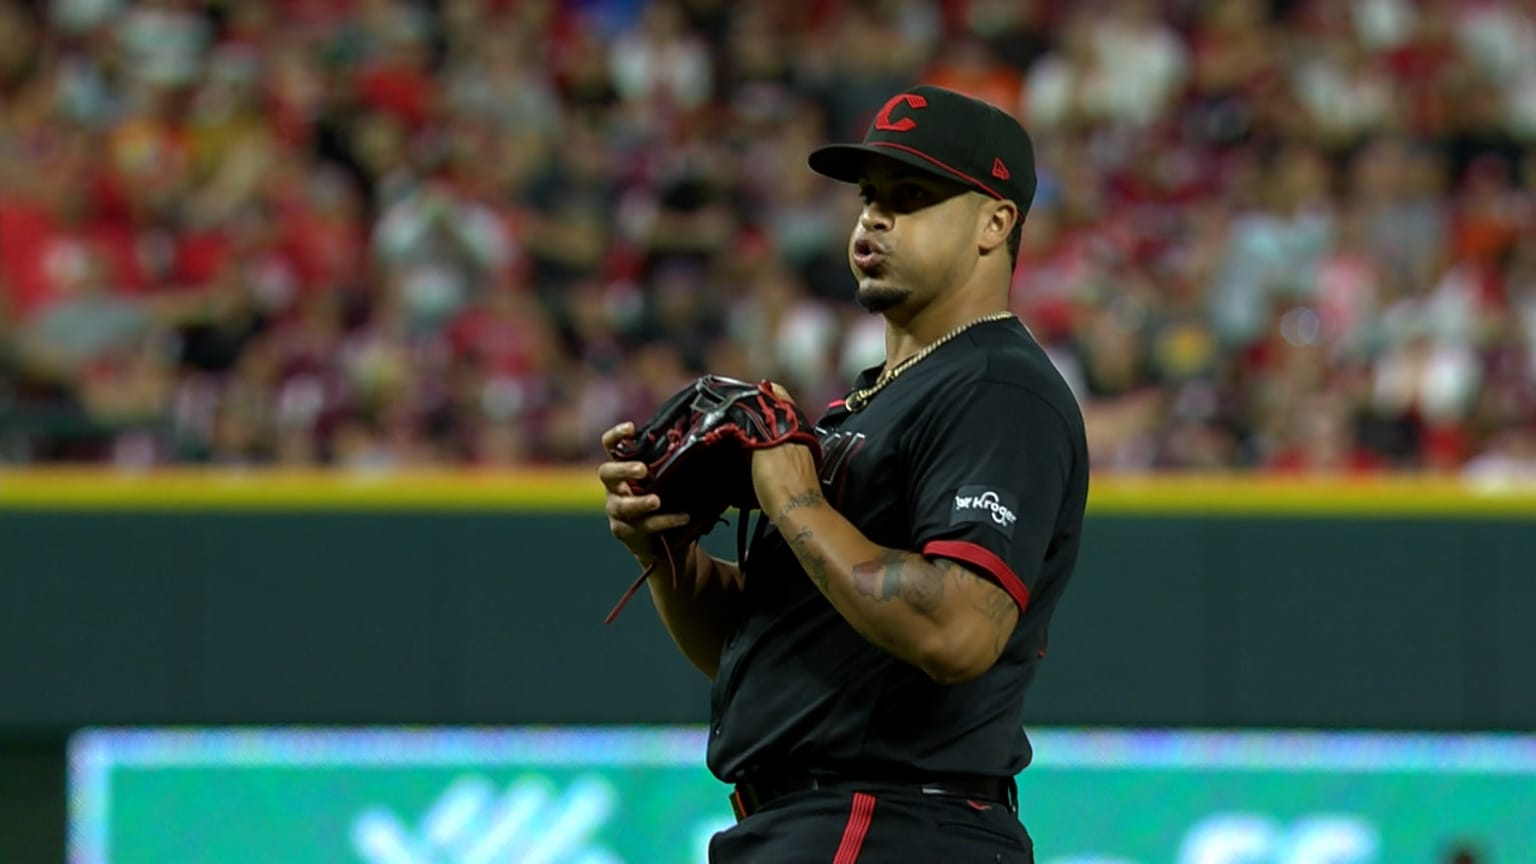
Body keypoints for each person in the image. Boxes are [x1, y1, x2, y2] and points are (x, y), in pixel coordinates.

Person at [598, 85, 1089, 863]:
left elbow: (958, 628)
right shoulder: (864, 404)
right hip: (813, 822)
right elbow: (762, 645)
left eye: (913, 196)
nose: (875, 218)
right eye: (869, 197)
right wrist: (668, 554)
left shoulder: (997, 386)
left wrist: (791, 495)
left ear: (996, 222)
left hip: (888, 824)